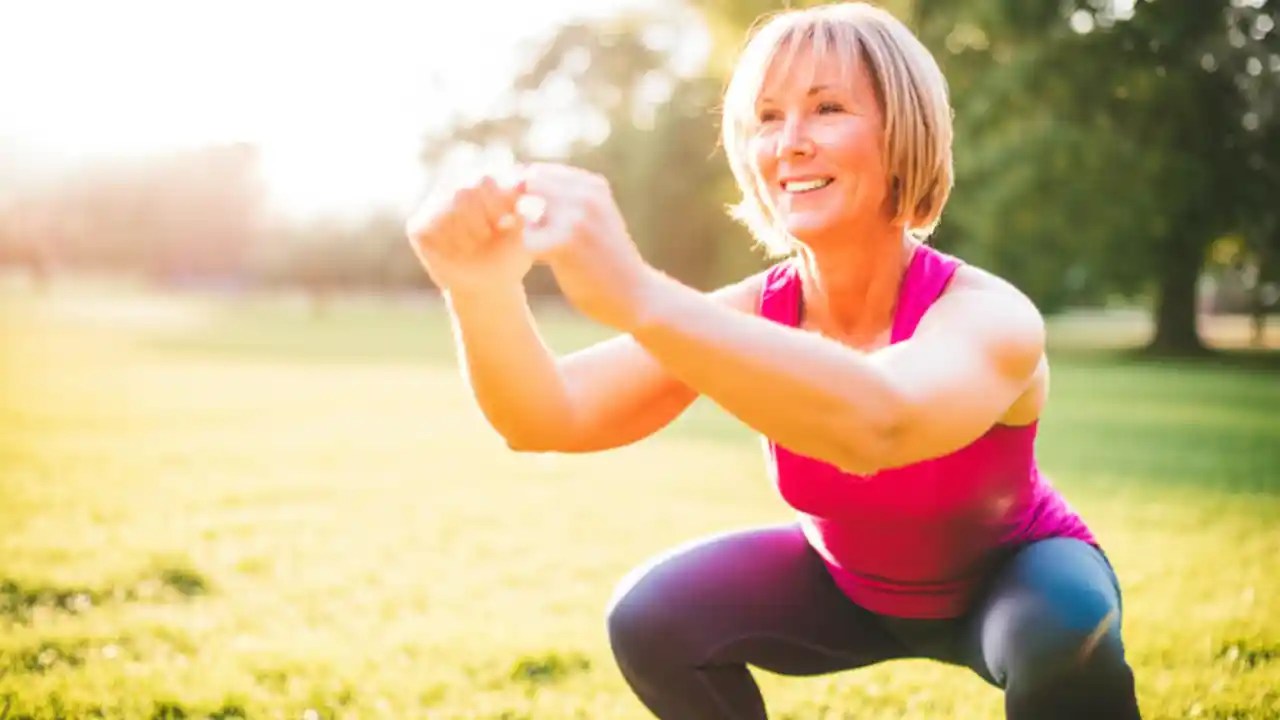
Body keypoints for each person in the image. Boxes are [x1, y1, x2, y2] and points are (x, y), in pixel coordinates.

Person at [404, 3, 1142, 718]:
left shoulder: (990, 315)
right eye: (766, 117)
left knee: (1065, 630)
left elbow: (879, 425)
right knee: (653, 616)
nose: (789, 141)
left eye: (827, 108)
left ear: (903, 132)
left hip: (1010, 582)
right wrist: (482, 289)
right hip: (846, 587)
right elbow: (549, 414)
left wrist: (637, 294)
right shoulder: (749, 313)